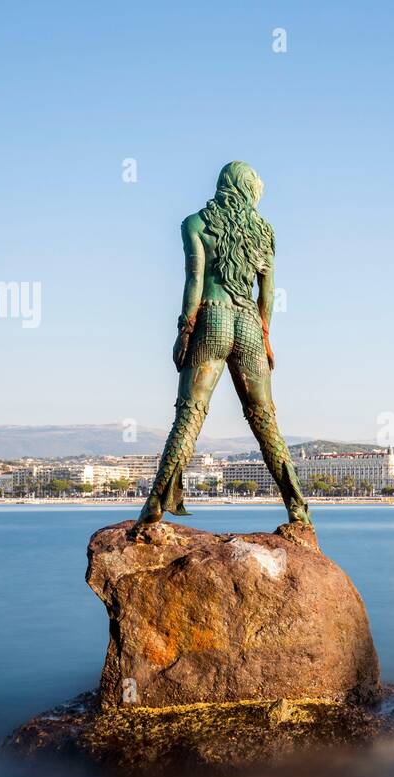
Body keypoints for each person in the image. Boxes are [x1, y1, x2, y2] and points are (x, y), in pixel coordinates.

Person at [133, 161, 310, 532]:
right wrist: (265, 336)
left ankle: (154, 506)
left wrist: (184, 330)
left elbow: (194, 281)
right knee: (266, 423)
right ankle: (298, 510)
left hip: (212, 318)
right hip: (248, 324)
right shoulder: (263, 231)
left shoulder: (195, 223)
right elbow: (268, 295)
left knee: (190, 416)